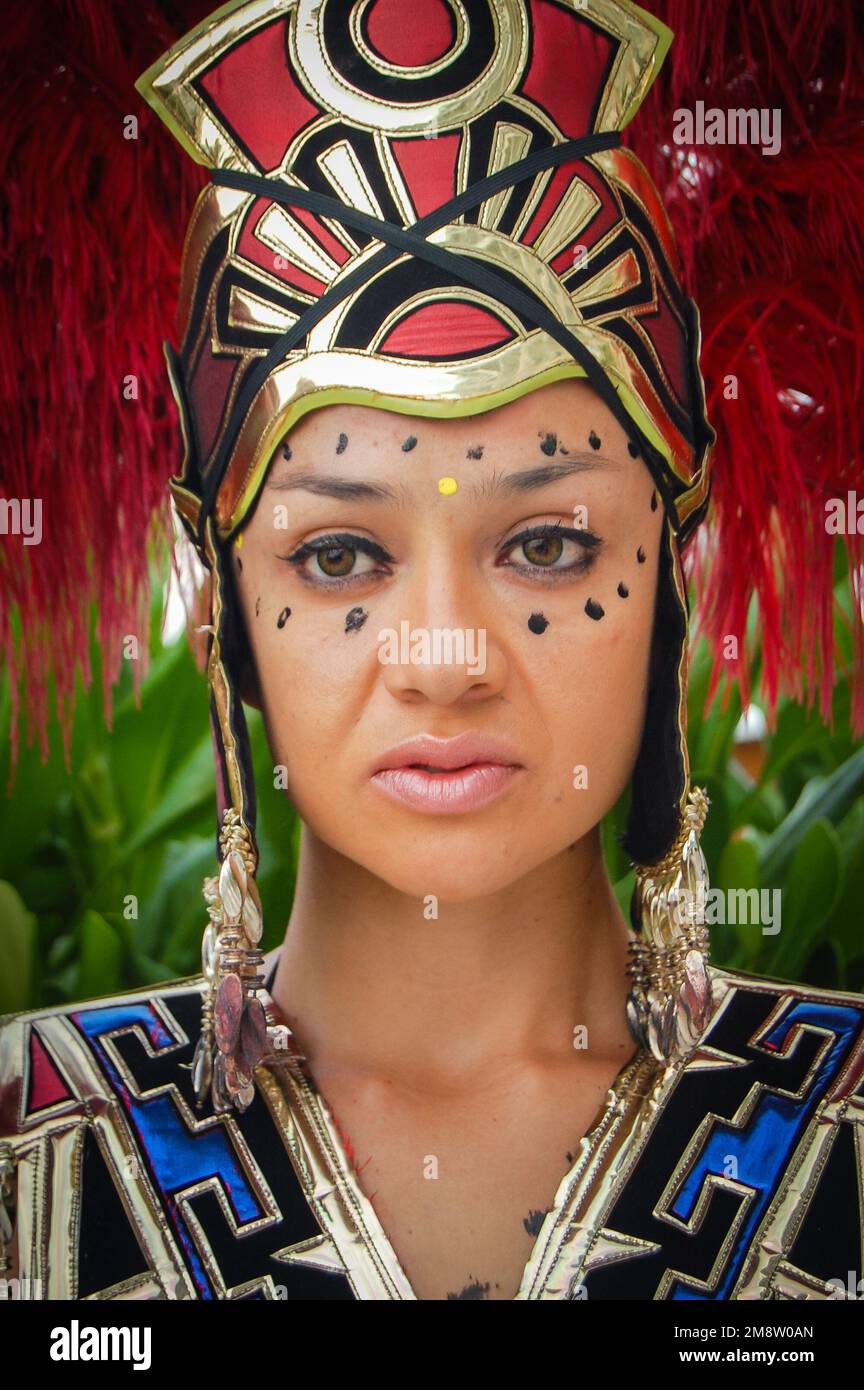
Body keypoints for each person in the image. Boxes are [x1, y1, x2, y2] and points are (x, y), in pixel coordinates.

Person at [1, 0, 863, 1302]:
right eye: (340, 557)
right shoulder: (27, 1160)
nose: (449, 655)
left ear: (670, 561)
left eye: (551, 546)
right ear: (218, 587)